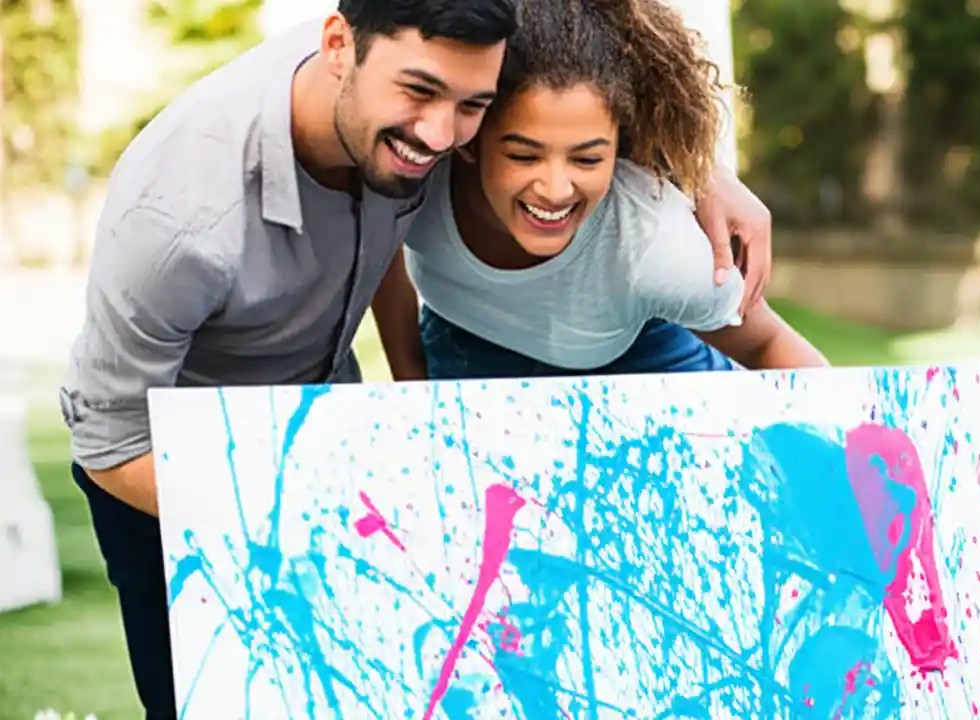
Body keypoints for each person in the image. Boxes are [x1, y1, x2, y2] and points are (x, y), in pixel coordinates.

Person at [58, 1, 775, 716]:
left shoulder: (417, 120)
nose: (439, 133)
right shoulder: (179, 221)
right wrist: (301, 515)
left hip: (311, 430)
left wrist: (697, 168)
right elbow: (109, 446)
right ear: (337, 45)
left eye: (471, 106)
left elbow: (575, 66)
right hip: (168, 473)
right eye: (420, 92)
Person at [400, 0, 828, 379]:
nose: (555, 189)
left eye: (587, 159)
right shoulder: (414, 177)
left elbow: (767, 342)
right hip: (467, 347)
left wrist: (855, 438)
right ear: (470, 138)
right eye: (524, 156)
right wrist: (409, 385)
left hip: (643, 361)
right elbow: (378, 259)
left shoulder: (655, 244)